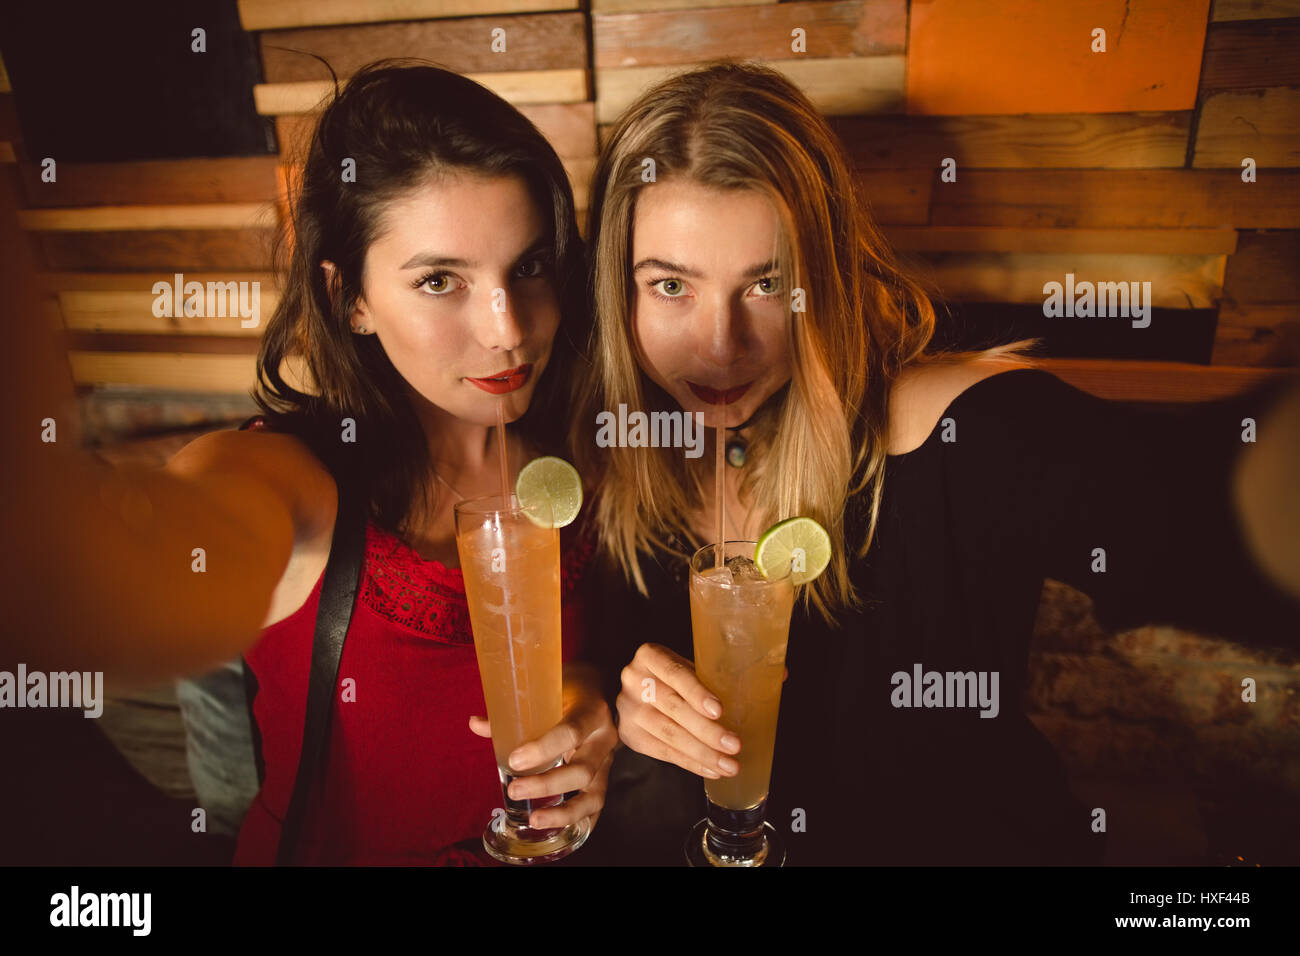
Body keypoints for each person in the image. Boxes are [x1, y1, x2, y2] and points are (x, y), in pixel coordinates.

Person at [569, 61, 1300, 865]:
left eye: (769, 283)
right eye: (671, 285)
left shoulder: (962, 429)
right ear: (618, 292)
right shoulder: (623, 462)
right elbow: (599, 673)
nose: (719, 345)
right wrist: (620, 711)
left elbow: (1217, 519)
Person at [2, 62, 615, 865]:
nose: (507, 329)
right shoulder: (293, 483)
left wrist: (595, 708)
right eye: (439, 280)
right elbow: (93, 595)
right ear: (347, 298)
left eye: (528, 267)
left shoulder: (593, 469)